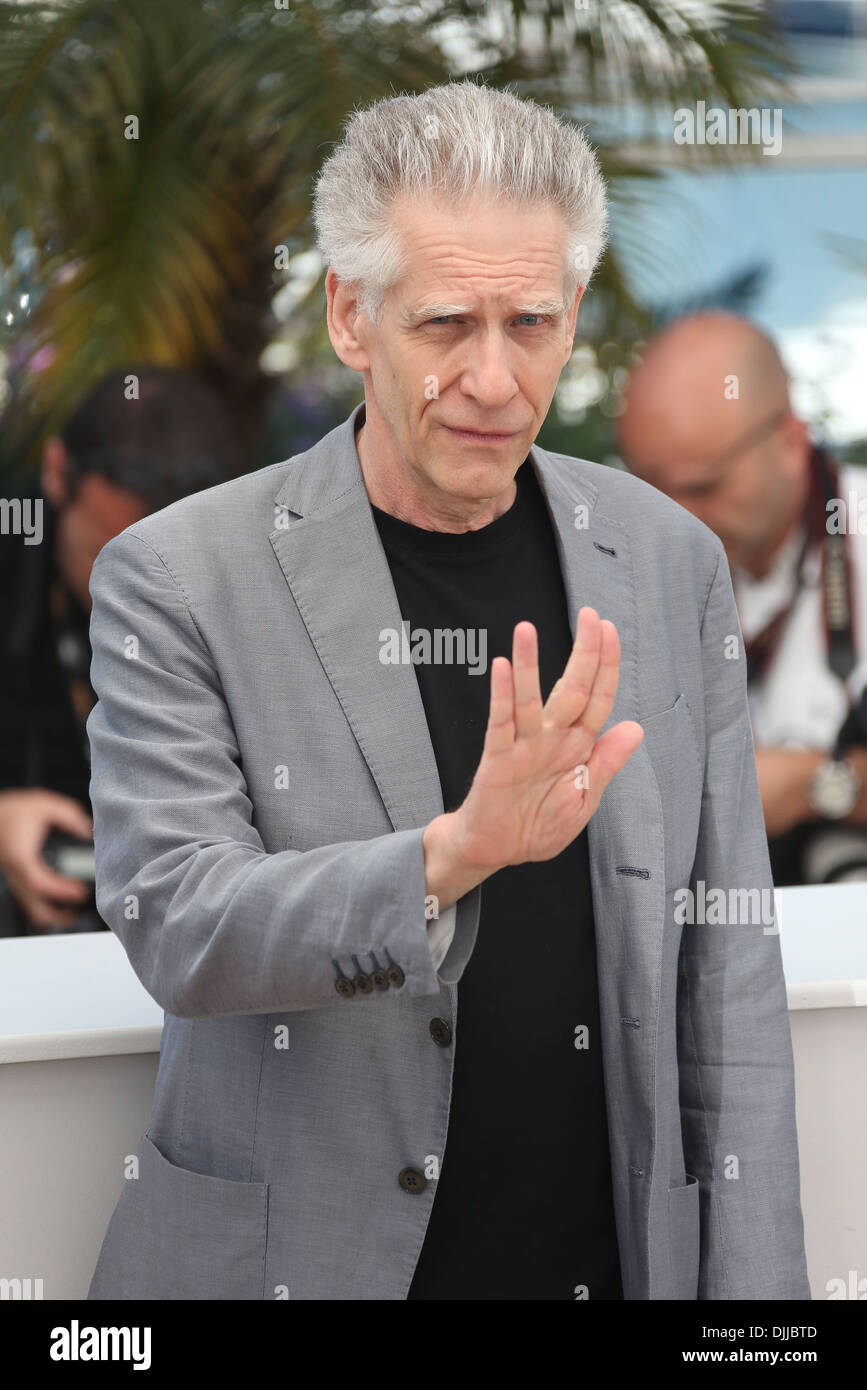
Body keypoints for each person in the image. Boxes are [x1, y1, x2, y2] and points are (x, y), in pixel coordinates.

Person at [86, 81, 809, 1301]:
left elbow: (726, 978)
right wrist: (450, 855)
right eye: (444, 325)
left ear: (575, 316)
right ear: (349, 317)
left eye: (530, 322)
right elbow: (182, 921)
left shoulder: (669, 558)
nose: (493, 378)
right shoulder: (178, 575)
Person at [618, 312, 867, 885]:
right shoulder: (622, 565)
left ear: (789, 442)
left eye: (703, 486)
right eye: (649, 488)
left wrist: (818, 784)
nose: (674, 517)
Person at [0, 367, 242, 934]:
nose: (134, 611)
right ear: (58, 472)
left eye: (169, 580)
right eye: (106, 569)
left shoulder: (254, 576)